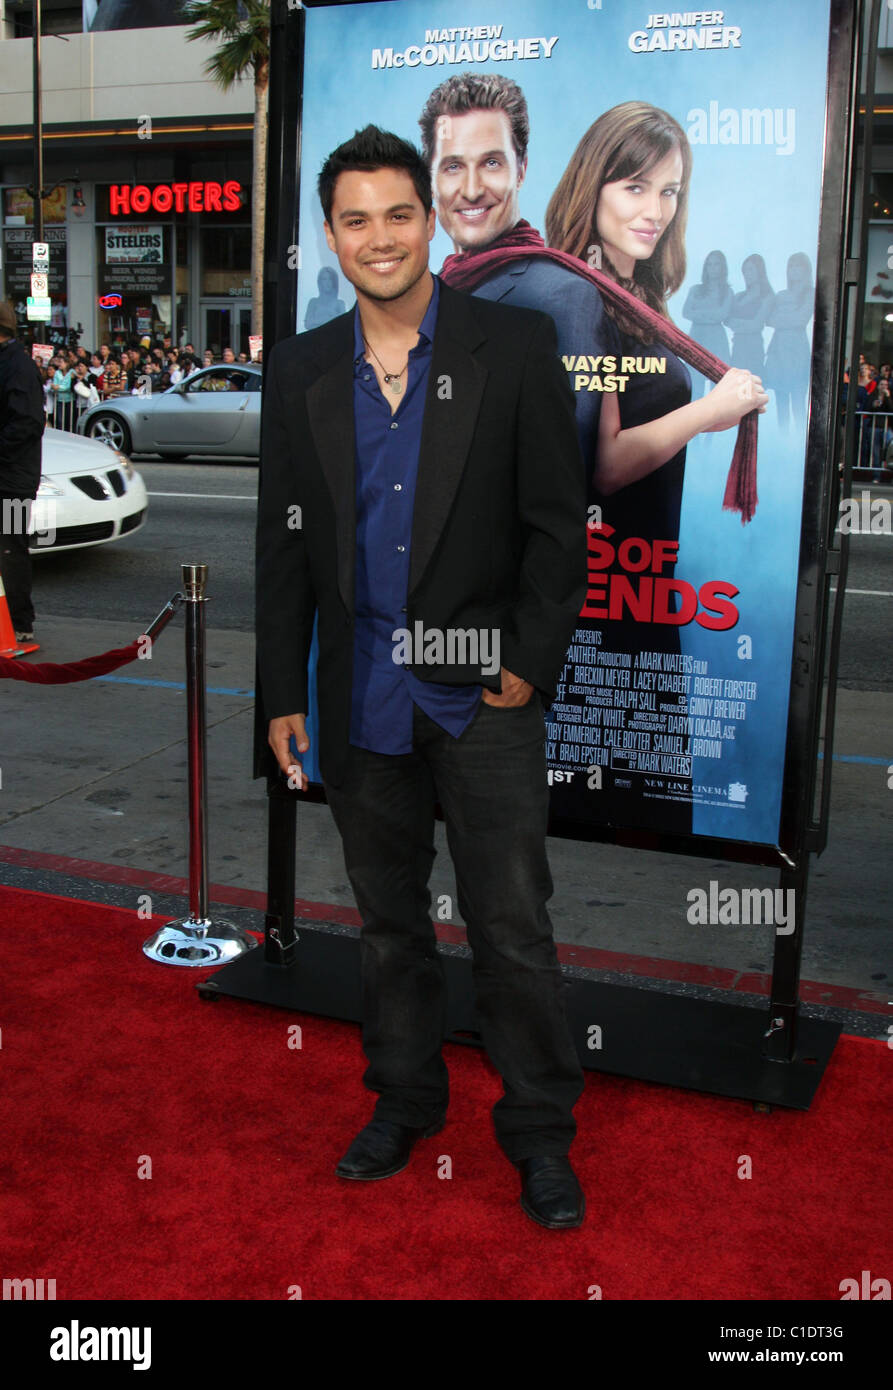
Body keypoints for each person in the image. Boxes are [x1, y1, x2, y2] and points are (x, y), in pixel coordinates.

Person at [256, 125, 588, 1230]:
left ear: (432, 220)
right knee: (388, 924)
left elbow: (555, 532)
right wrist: (281, 693)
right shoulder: (302, 365)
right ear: (331, 234)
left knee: (512, 931)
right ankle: (403, 1099)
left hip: (479, 699)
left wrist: (523, 669)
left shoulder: (514, 343)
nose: (380, 237)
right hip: (360, 701)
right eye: (356, 219)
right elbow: (284, 544)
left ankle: (539, 1131)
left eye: (400, 213)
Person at [545, 102, 767, 834]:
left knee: (635, 813)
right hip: (598, 595)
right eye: (634, 187)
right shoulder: (582, 296)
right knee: (602, 814)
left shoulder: (631, 297)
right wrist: (713, 410)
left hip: (634, 586)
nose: (655, 210)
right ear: (592, 186)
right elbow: (603, 465)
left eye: (668, 191)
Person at [419, 72, 615, 479]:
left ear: (521, 169)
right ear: (432, 180)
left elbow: (567, 466)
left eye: (491, 163)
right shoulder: (430, 291)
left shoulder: (563, 295)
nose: (471, 190)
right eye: (453, 166)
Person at [0, 301, 45, 643]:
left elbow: (28, 422)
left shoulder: (18, 366)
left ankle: (19, 622)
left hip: (13, 481)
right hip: (9, 476)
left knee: (12, 548)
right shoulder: (10, 363)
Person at [763, 251, 814, 431]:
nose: (794, 270)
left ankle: (798, 440)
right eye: (791, 266)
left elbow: (801, 319)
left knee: (798, 401)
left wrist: (782, 318)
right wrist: (787, 318)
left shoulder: (810, 294)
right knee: (781, 401)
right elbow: (769, 319)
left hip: (797, 351)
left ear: (805, 269)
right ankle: (783, 440)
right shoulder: (781, 295)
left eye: (798, 265)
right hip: (778, 352)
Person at [682, 249, 733, 390]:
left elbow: (721, 315)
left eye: (716, 264)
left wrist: (699, 314)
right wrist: (711, 315)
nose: (713, 268)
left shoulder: (727, 291)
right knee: (695, 383)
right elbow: (686, 312)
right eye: (709, 264)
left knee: (717, 385)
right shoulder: (695, 289)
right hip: (697, 336)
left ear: (722, 267)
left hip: (717, 339)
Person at [725, 253, 774, 375]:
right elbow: (727, 320)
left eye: (751, 269)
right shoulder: (739, 296)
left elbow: (756, 325)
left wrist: (737, 324)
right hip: (737, 346)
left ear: (759, 271)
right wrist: (744, 325)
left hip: (754, 347)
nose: (747, 274)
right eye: (745, 270)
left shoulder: (767, 296)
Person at [304, 264, 346, 329]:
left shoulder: (340, 303)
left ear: (334, 282)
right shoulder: (313, 302)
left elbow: (343, 324)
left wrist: (317, 320)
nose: (327, 282)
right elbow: (308, 323)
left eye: (330, 279)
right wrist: (331, 317)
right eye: (324, 279)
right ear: (320, 282)